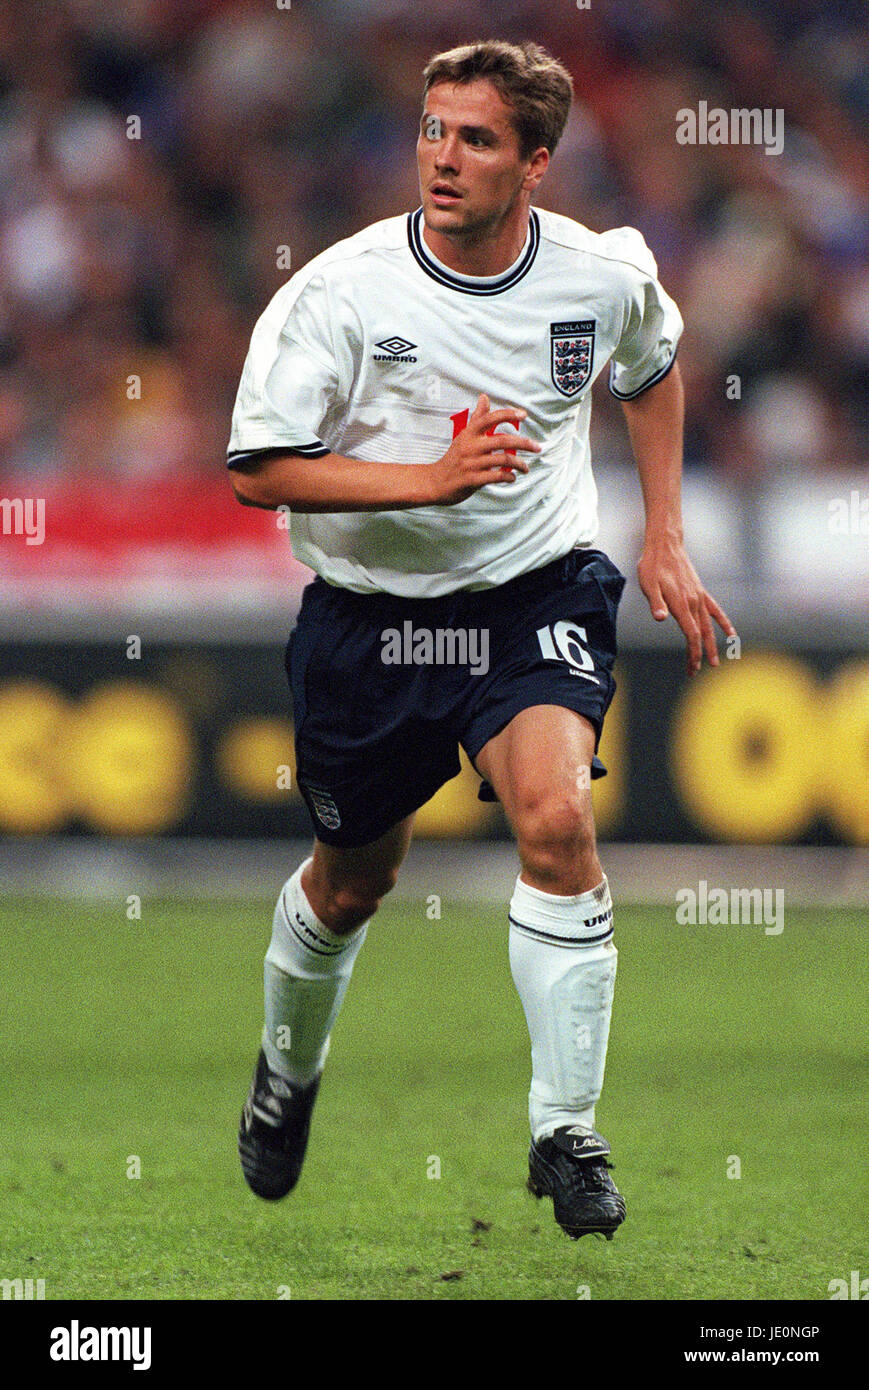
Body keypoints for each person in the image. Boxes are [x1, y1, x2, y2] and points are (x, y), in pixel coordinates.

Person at [228, 39, 735, 1241]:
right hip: (368, 622)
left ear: (536, 164)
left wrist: (663, 530)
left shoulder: (595, 276)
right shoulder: (338, 294)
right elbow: (257, 472)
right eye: (430, 130)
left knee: (556, 820)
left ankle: (564, 1129)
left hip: (533, 594)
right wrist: (428, 480)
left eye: (475, 139)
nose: (441, 158)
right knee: (355, 880)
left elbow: (653, 368)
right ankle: (286, 1071)